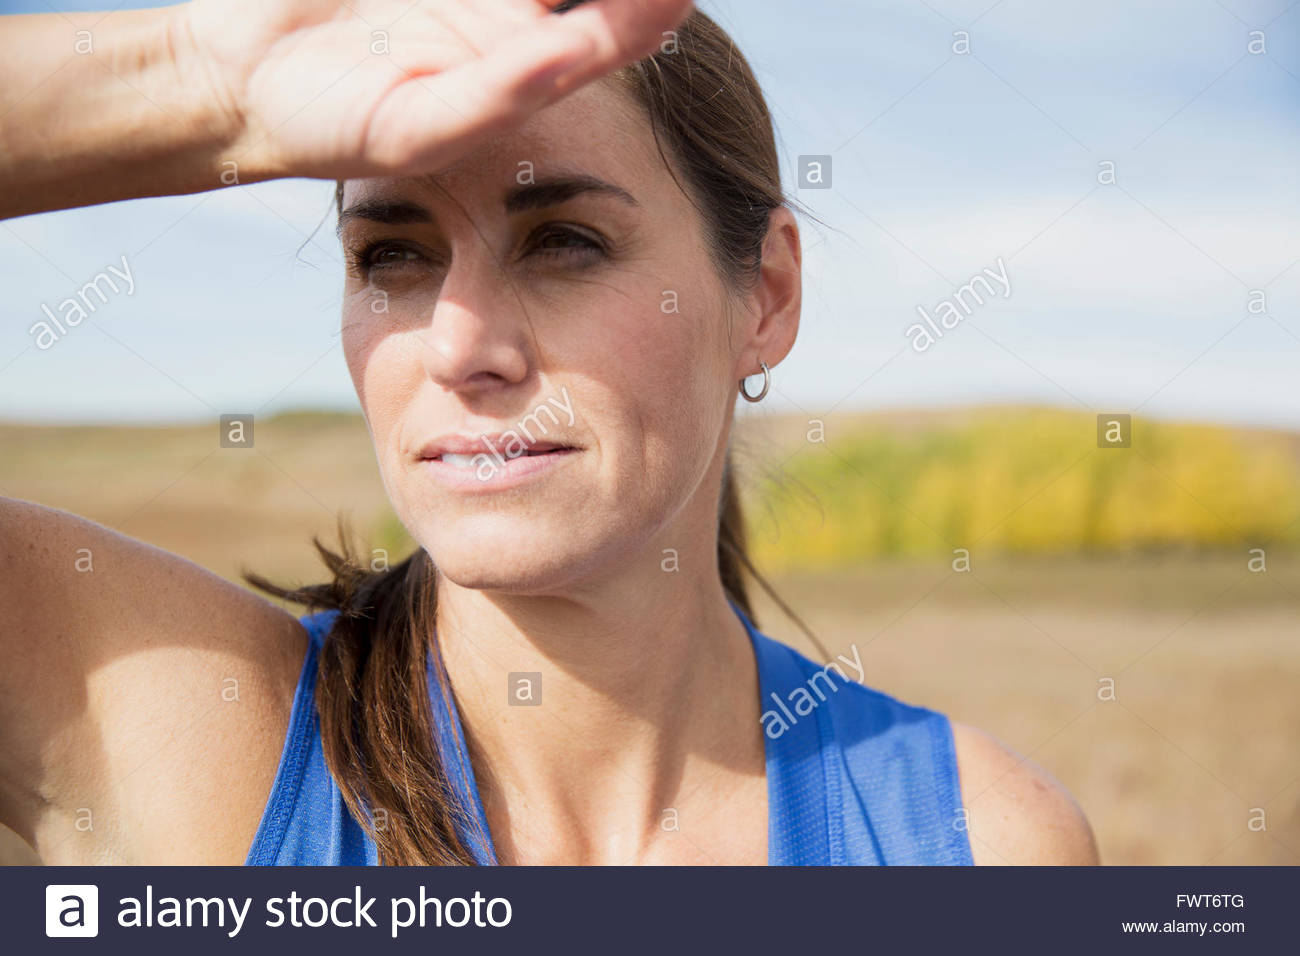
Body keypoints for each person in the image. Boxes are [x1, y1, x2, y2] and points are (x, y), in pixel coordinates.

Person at [0, 0, 1099, 865]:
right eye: (393, 254)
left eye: (565, 240)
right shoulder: (195, 736)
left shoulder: (977, 850)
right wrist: (207, 78)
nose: (460, 343)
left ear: (762, 296)